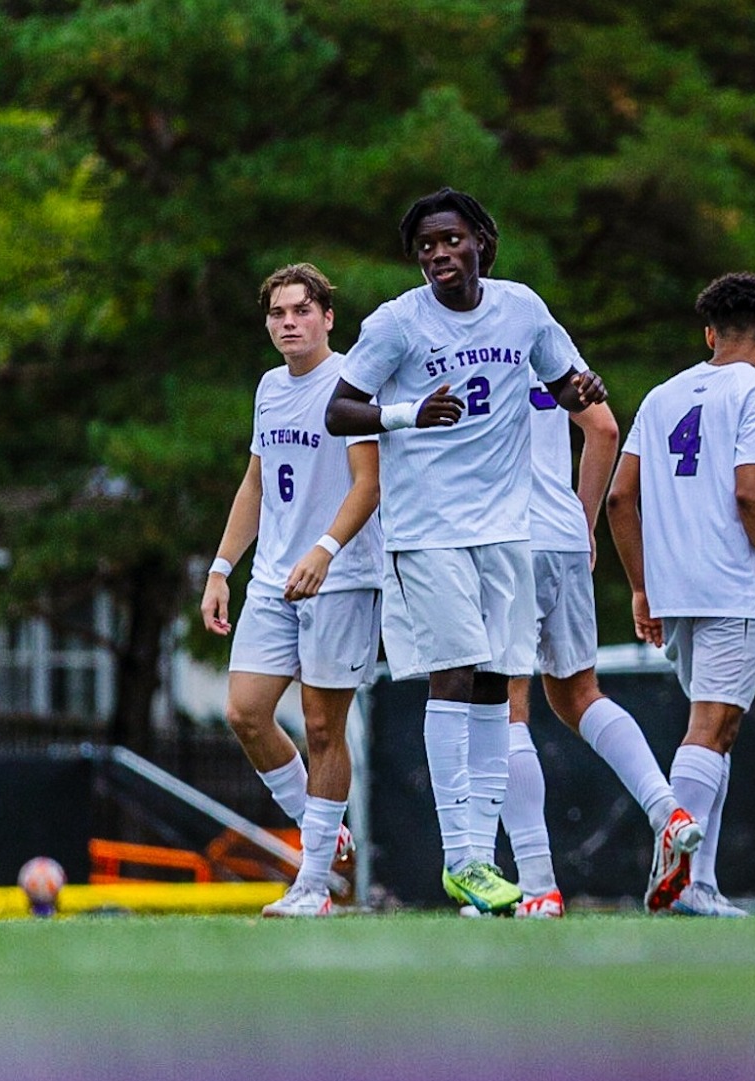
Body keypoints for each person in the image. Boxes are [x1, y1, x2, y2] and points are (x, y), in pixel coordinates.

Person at [324, 187, 622, 916]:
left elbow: (570, 385)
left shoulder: (522, 308)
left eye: (451, 240)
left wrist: (585, 385)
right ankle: (460, 855)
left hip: (506, 529)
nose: (438, 256)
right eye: (425, 246)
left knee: (497, 683)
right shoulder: (398, 322)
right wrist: (406, 413)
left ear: (482, 241)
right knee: (453, 676)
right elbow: (339, 408)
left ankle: (480, 863)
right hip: (428, 530)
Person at [476, 324, 704, 918]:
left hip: (501, 538)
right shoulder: (539, 337)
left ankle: (537, 885)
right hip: (560, 537)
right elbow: (602, 428)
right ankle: (667, 809)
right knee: (578, 694)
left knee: (503, 707)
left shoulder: (453, 339)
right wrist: (580, 520)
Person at [608, 271, 755, 918]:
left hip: (674, 583)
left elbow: (619, 497)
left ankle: (699, 882)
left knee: (715, 727)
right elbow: (751, 492)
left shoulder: (663, 395)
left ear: (709, 333)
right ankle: (682, 878)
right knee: (711, 726)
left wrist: (641, 584)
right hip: (729, 580)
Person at [202, 263, 382, 918]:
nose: (288, 322)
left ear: (327, 317)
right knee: (246, 710)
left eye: (301, 310)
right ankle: (323, 831)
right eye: (277, 312)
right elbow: (255, 483)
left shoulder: (351, 383)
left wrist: (324, 552)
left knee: (320, 725)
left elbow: (370, 482)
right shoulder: (270, 387)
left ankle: (312, 883)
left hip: (340, 578)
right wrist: (222, 567)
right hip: (273, 579)